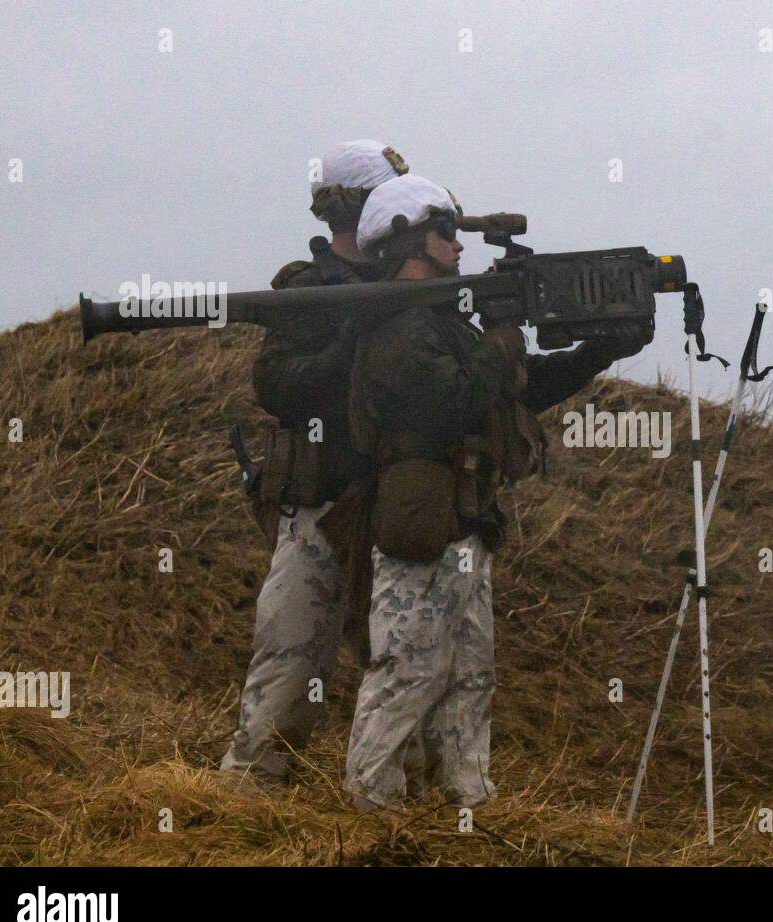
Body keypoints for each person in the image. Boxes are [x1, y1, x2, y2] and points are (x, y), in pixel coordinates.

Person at [329, 174, 645, 808]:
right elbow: (452, 400)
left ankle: (466, 802)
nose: (459, 245)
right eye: (446, 232)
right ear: (410, 243)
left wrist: (598, 353)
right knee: (409, 671)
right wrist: (502, 331)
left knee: (471, 672)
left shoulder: (447, 326)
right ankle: (370, 808)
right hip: (423, 519)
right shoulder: (396, 327)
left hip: (467, 518)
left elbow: (511, 390)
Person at [220, 139, 410, 785]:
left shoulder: (406, 286)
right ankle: (245, 803)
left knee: (409, 668)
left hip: (394, 512)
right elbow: (276, 386)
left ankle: (412, 810)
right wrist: (348, 347)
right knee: (290, 667)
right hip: (320, 507)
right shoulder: (307, 292)